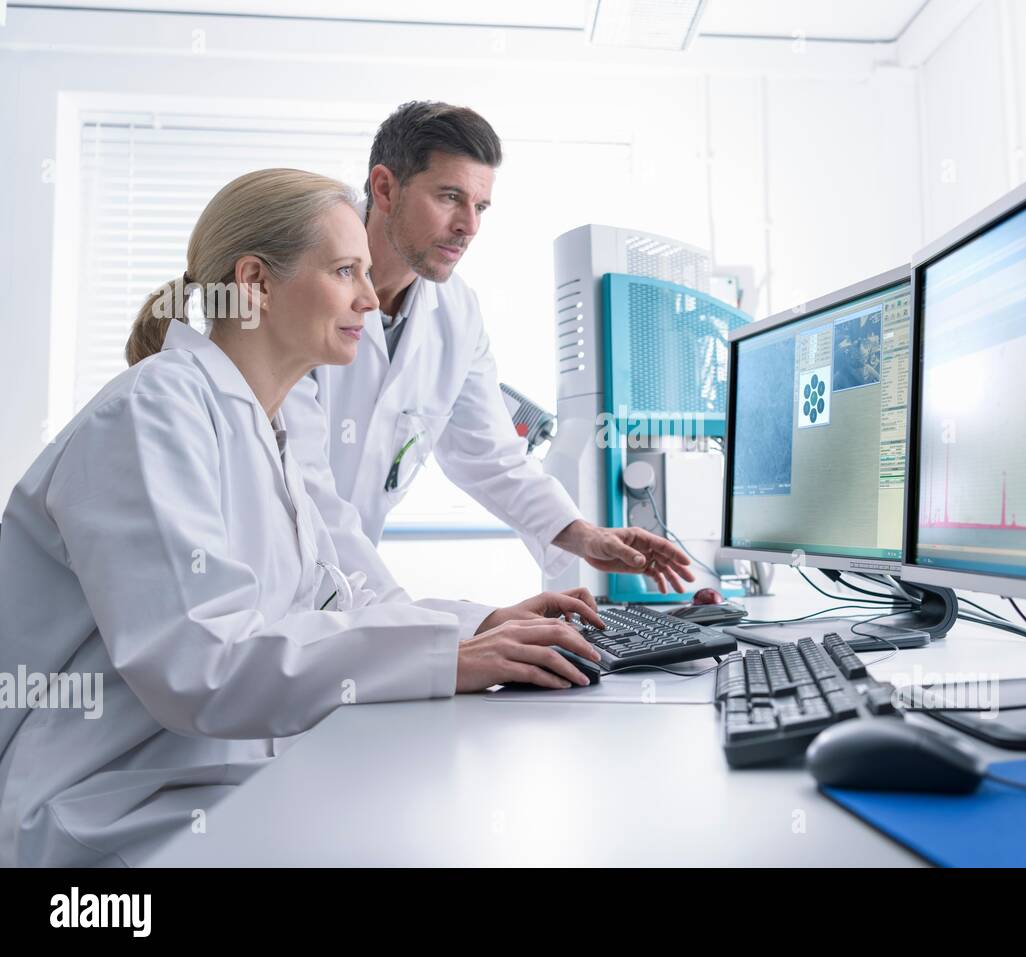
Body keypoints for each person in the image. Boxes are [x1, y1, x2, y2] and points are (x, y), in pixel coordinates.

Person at [0, 169, 606, 868]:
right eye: (346, 270)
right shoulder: (152, 413)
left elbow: (335, 603)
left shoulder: (275, 426)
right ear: (255, 281)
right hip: (100, 812)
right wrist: (446, 657)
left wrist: (478, 626)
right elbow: (205, 665)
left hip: (199, 778)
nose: (368, 299)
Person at [281, 101, 694, 595]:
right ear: (385, 188)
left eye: (479, 206)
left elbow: (492, 455)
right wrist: (422, 623)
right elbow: (303, 487)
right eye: (450, 197)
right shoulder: (301, 288)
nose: (469, 226)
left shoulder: (457, 314)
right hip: (275, 576)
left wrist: (584, 536)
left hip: (344, 590)